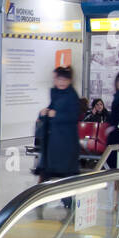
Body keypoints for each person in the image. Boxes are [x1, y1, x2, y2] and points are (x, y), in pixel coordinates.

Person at [36, 66, 81, 195]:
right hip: (52, 141)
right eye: (59, 79)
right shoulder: (56, 93)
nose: (61, 82)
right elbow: (51, 110)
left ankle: (68, 200)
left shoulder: (72, 95)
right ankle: (40, 198)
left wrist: (56, 115)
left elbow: (74, 116)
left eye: (64, 80)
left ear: (69, 81)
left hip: (65, 142)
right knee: (48, 171)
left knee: (64, 173)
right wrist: (43, 113)